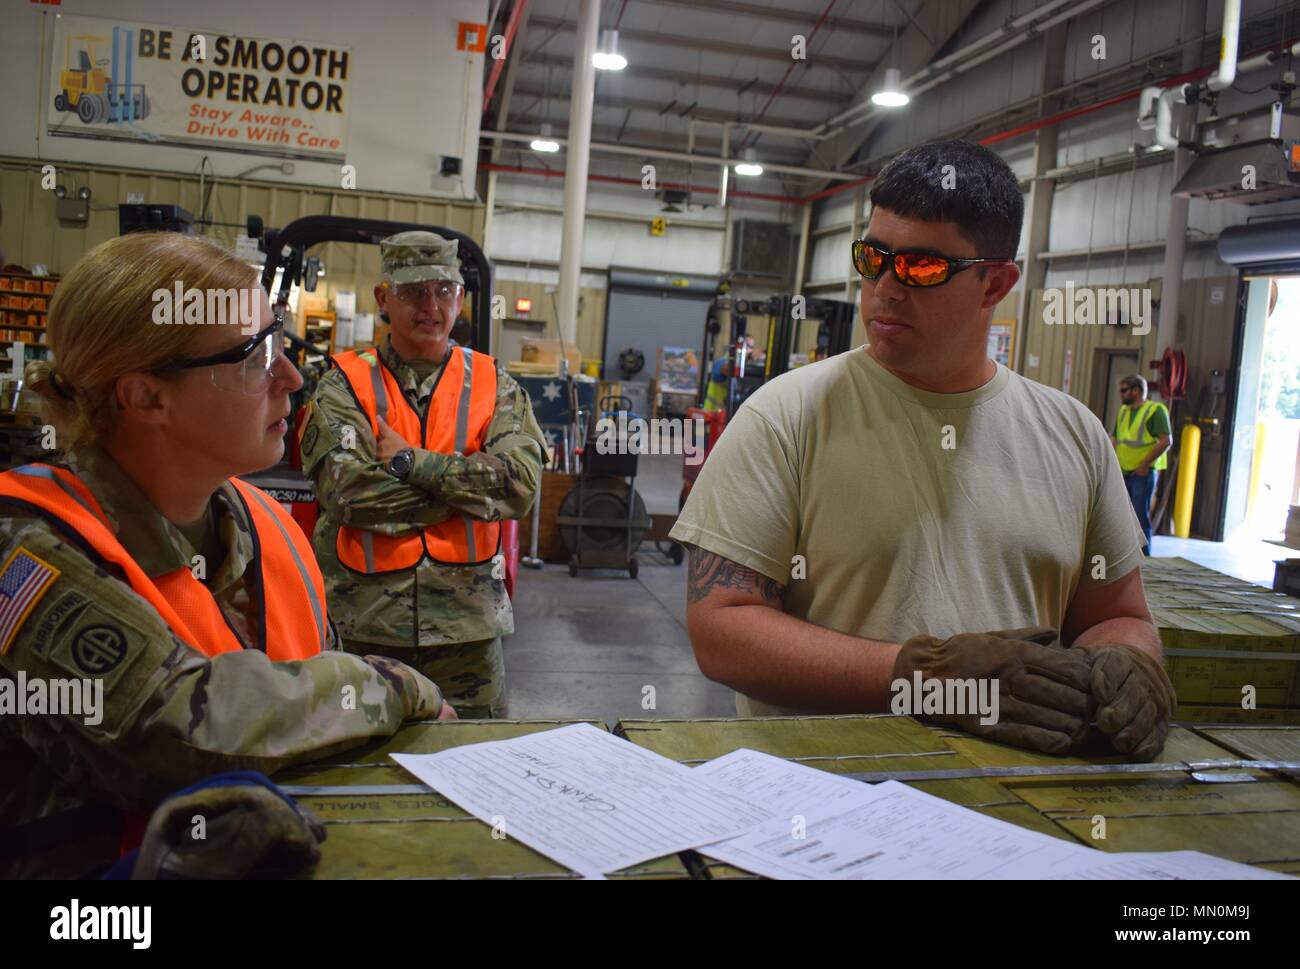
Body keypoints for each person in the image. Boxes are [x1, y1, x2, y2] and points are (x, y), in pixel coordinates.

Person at [670, 140, 1177, 762]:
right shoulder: (787, 417)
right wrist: (923, 679)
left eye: (922, 268)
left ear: (996, 282)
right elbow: (721, 630)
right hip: (817, 807)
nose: (885, 287)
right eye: (873, 257)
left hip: (1019, 803)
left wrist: (1128, 659)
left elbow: (1116, 613)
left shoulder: (1074, 435)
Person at [0, 232, 455, 878]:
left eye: (282, 342)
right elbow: (173, 729)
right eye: (253, 356)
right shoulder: (25, 547)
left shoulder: (263, 526)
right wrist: (394, 685)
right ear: (145, 396)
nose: (291, 376)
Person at [300, 232, 545, 718]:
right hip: (365, 627)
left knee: (475, 770)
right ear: (384, 297)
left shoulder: (495, 385)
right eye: (414, 291)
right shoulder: (344, 384)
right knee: (360, 772)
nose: (431, 305)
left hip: (468, 635)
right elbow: (346, 493)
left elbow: (518, 487)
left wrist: (414, 463)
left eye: (444, 291)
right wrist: (466, 494)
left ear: (460, 298)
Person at [1111, 374, 1171, 554]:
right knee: (1124, 515)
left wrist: (1144, 465)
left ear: (1136, 391)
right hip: (1123, 471)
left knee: (1139, 516)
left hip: (1143, 474)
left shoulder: (1155, 411)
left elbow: (1165, 441)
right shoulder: (1123, 411)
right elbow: (1115, 438)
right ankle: (1125, 556)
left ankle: (1144, 556)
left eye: (1124, 390)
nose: (1120, 395)